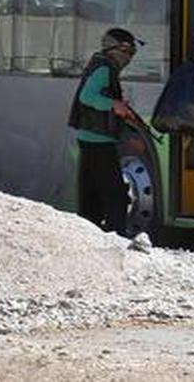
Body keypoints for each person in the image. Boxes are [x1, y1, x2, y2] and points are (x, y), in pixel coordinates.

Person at [67, 28, 141, 236]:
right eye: (126, 50)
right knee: (114, 192)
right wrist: (113, 104)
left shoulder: (101, 64)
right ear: (114, 48)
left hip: (90, 137)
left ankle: (90, 234)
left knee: (91, 192)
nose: (129, 56)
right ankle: (117, 235)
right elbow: (87, 97)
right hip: (98, 140)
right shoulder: (105, 68)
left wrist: (116, 105)